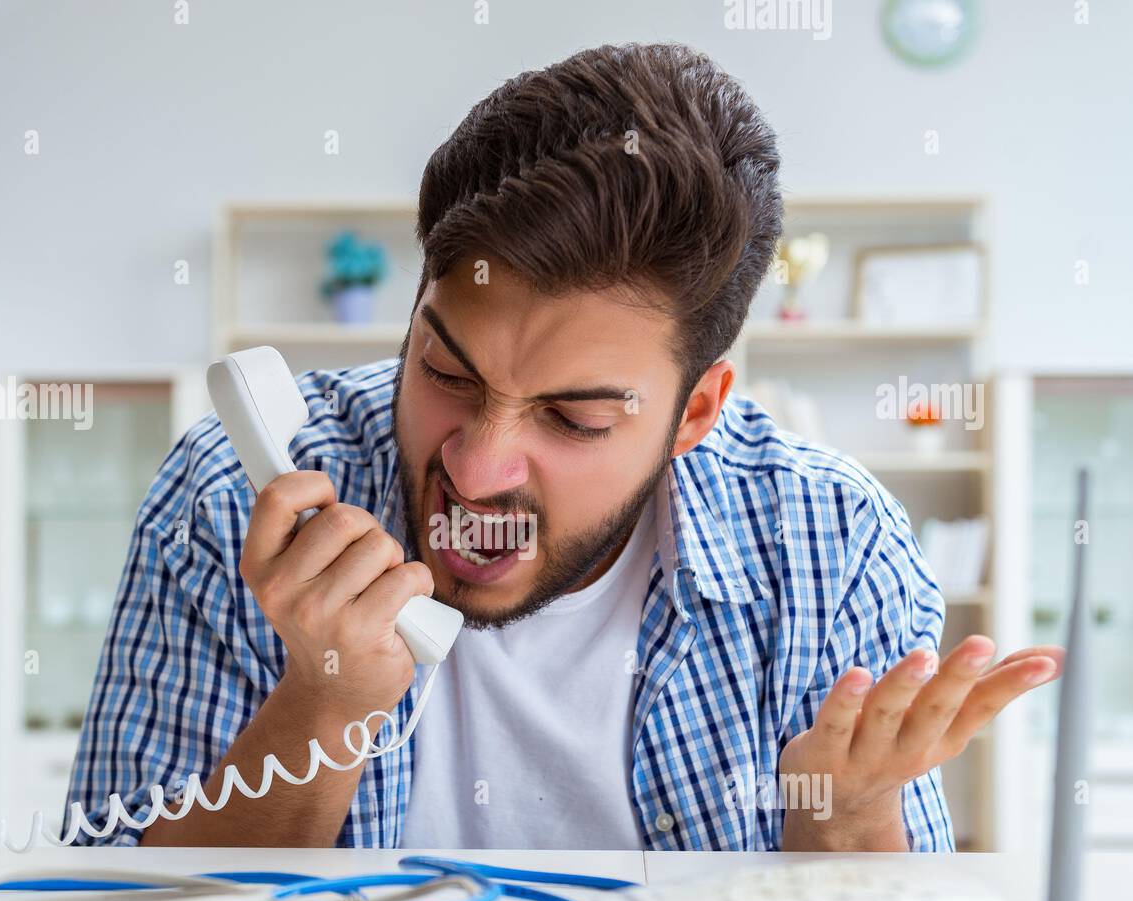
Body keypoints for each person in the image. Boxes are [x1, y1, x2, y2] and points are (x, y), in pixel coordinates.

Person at [66, 42, 1061, 852]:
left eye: (574, 418)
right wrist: (323, 706)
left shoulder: (830, 539)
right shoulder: (231, 490)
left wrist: (841, 826)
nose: (477, 465)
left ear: (695, 410)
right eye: (445, 371)